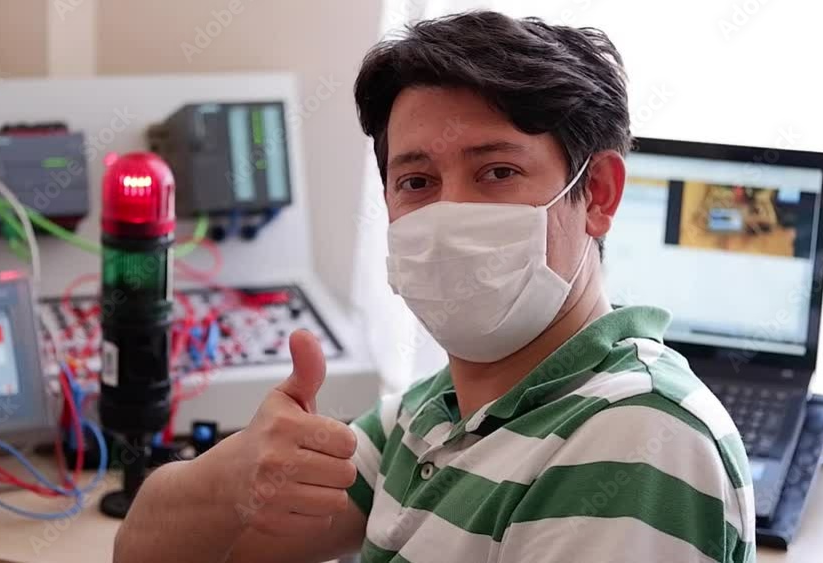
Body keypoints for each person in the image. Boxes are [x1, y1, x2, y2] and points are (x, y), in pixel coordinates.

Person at [114, 11, 754, 563]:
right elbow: (145, 551)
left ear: (598, 195)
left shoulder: (639, 438)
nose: (450, 216)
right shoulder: (427, 414)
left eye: (497, 171)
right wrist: (234, 475)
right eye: (416, 182)